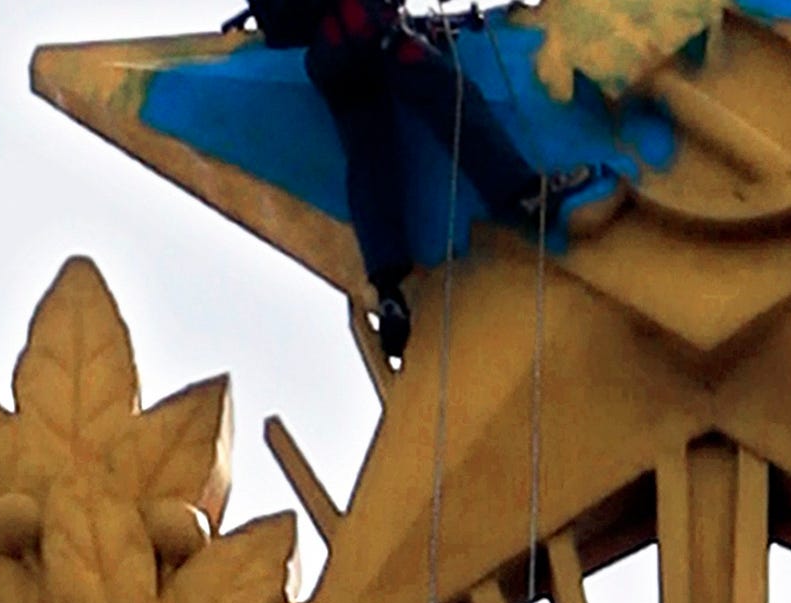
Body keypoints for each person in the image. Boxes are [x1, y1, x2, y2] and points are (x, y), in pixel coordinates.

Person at [239, 0, 605, 360]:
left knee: (370, 160)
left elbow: (280, 30)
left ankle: (389, 292)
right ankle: (522, 194)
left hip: (334, 61)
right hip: (371, 30)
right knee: (451, 97)